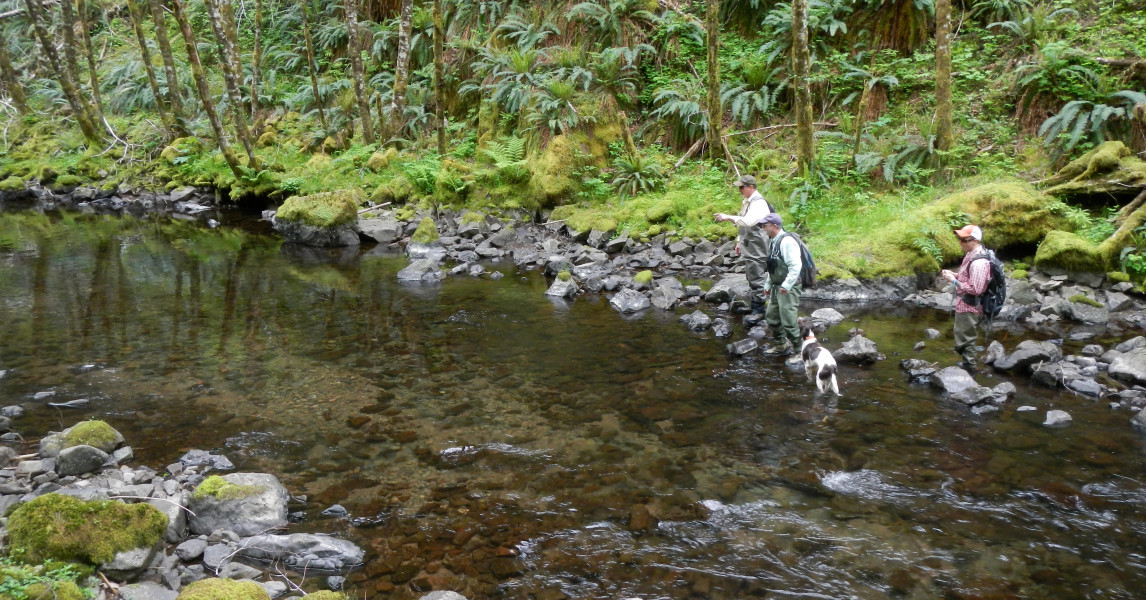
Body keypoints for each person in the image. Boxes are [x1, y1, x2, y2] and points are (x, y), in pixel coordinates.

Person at [713, 175, 774, 325]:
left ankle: (759, 311)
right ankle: (754, 306)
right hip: (749, 243)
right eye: (739, 187)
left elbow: (750, 221)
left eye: (742, 187)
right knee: (751, 274)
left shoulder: (758, 203)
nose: (739, 190)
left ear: (751, 187)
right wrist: (739, 241)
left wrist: (728, 217)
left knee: (756, 276)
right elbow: (743, 224)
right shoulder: (747, 202)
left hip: (758, 245)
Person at [940, 224, 990, 373]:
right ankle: (968, 364)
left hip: (971, 307)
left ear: (975, 240)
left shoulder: (979, 263)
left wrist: (953, 281)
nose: (960, 242)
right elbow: (967, 277)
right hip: (963, 304)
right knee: (961, 339)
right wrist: (954, 275)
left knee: (966, 341)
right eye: (959, 239)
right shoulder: (970, 255)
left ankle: (971, 369)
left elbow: (976, 289)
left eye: (964, 239)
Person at [760, 213, 802, 356]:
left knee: (789, 322)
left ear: (775, 226)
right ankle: (781, 345)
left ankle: (800, 352)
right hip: (776, 286)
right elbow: (773, 267)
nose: (763, 228)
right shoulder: (773, 241)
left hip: (788, 288)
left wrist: (787, 285)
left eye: (765, 225)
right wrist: (767, 285)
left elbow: (796, 266)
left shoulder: (787, 242)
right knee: (771, 317)